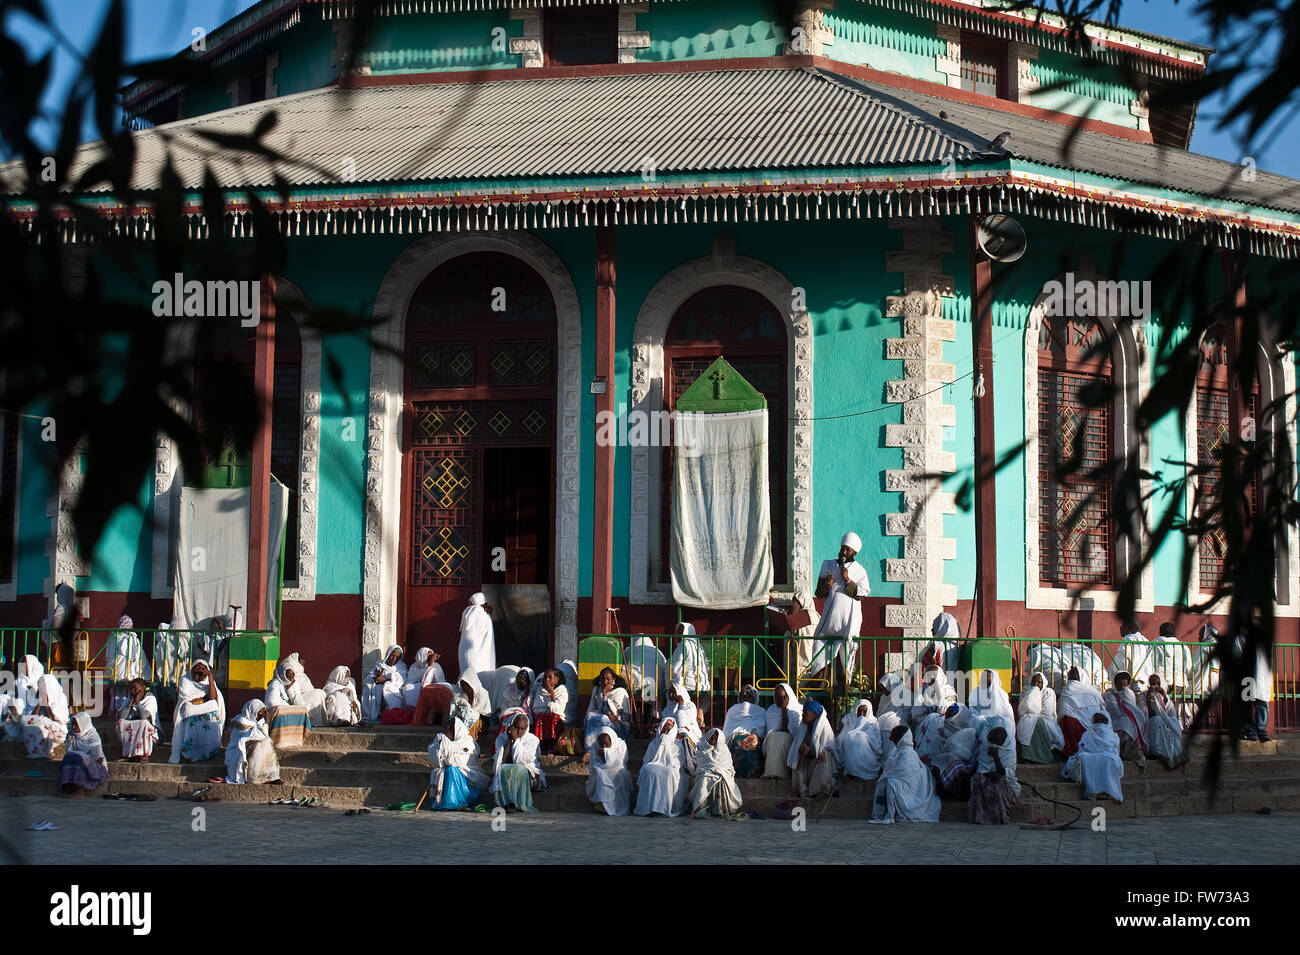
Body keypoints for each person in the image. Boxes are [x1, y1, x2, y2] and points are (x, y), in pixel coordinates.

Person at [809, 532, 870, 685]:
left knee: (845, 666)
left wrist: (847, 579)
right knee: (819, 661)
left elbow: (862, 595)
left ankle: (843, 697)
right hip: (828, 624)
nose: (843, 552)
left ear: (854, 553)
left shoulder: (859, 570)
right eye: (843, 548)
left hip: (848, 626)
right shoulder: (828, 565)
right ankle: (819, 696)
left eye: (847, 550)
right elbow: (819, 593)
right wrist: (827, 585)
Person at [870, 725, 941, 823]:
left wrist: (887, 774)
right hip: (905, 784)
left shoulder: (907, 753)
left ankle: (889, 816)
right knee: (887, 781)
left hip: (911, 790)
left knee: (891, 782)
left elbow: (903, 772)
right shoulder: (898, 751)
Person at [428, 717, 490, 811]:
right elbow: (436, 760)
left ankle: (456, 802)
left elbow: (452, 762)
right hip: (453, 774)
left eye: (450, 727)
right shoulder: (441, 740)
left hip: (469, 782)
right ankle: (448, 802)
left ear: (456, 729)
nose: (447, 729)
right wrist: (445, 744)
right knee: (444, 771)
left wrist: (445, 747)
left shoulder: (468, 743)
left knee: (451, 770)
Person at [170, 660, 225, 763]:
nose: (199, 672)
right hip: (190, 706)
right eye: (196, 669)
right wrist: (203, 699)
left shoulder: (209, 680)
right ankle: (190, 751)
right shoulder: (185, 679)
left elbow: (212, 697)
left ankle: (209, 749)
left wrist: (210, 676)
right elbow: (186, 697)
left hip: (203, 705)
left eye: (202, 669)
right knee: (187, 708)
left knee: (213, 705)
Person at [1062, 712, 1125, 801]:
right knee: (1084, 759)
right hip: (1091, 758)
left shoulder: (1114, 736)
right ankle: (1094, 791)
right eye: (1097, 721)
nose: (1100, 724)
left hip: (1107, 760)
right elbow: (1081, 751)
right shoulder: (1087, 735)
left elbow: (1115, 754)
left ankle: (1110, 791)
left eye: (1102, 721)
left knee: (1111, 760)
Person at [491, 711, 545, 813]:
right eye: (517, 728)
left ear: (526, 728)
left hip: (530, 776)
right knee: (504, 769)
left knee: (517, 769)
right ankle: (505, 802)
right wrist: (509, 740)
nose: (519, 731)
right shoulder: (502, 738)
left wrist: (516, 740)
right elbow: (501, 760)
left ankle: (516, 803)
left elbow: (520, 760)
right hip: (509, 773)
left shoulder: (533, 740)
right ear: (511, 726)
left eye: (522, 729)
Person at [634, 717, 688, 817]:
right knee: (647, 769)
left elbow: (676, 764)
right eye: (664, 729)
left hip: (672, 768)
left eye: (669, 730)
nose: (666, 732)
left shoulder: (677, 745)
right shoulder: (654, 743)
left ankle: (663, 808)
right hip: (654, 765)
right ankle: (649, 808)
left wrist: (665, 745)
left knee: (668, 772)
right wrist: (660, 745)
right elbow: (647, 760)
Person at [969, 719, 1020, 824]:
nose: (994, 745)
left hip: (1005, 784)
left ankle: (998, 816)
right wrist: (985, 774)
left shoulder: (1009, 751)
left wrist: (996, 756)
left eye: (997, 742)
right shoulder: (985, 748)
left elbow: (1005, 773)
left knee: (997, 783)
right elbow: (981, 766)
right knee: (978, 779)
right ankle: (980, 817)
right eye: (992, 742)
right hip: (986, 780)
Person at [688, 727, 743, 817]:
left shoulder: (724, 750)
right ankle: (702, 809)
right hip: (705, 773)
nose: (713, 741)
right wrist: (713, 769)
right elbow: (701, 764)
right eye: (711, 738)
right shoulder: (702, 748)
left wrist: (718, 770)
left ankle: (720, 811)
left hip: (721, 773)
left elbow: (728, 766)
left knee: (721, 781)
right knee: (704, 781)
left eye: (715, 739)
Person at [788, 699, 836, 799]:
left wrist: (811, 751)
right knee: (798, 758)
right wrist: (802, 750)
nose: (803, 715)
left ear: (815, 715)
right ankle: (802, 791)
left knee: (824, 754)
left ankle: (820, 790)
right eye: (803, 712)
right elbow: (798, 744)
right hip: (808, 760)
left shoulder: (824, 727)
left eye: (806, 713)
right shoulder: (804, 726)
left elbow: (827, 747)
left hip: (821, 763)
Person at [225, 699, 281, 784]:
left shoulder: (254, 722)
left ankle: (270, 776)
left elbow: (261, 735)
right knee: (261, 743)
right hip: (237, 753)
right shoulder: (241, 721)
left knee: (264, 743)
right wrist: (267, 721)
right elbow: (262, 735)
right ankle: (254, 777)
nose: (261, 716)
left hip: (248, 748)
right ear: (253, 710)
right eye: (260, 712)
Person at [1016, 671, 1065, 764]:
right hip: (1026, 719)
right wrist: (1032, 692)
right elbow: (1022, 711)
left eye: (1039, 682)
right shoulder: (1025, 691)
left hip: (1045, 721)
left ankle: (1042, 757)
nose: (1036, 684)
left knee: (1037, 722)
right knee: (1029, 722)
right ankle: (1028, 757)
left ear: (1043, 683)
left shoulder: (1048, 692)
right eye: (1033, 681)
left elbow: (1046, 713)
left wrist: (1033, 713)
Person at [264, 656, 312, 749]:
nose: (291, 680)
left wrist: (290, 690)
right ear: (283, 675)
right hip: (274, 712)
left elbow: (300, 704)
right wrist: (288, 705)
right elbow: (272, 702)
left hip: (287, 709)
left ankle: (295, 740)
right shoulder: (275, 683)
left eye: (293, 677)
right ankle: (279, 742)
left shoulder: (294, 683)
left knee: (302, 710)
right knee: (280, 710)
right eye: (289, 677)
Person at [1057, 665, 1105, 757]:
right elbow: (1063, 711)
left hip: (1093, 725)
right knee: (1068, 721)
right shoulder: (1068, 689)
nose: (1072, 676)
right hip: (1076, 727)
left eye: (1075, 674)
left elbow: (1102, 708)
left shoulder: (1092, 691)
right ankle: (1075, 750)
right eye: (1071, 674)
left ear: (1081, 676)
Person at [1103, 671, 1148, 766]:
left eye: (1125, 684)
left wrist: (1125, 693)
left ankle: (1132, 750)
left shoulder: (1130, 693)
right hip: (1114, 721)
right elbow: (1114, 712)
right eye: (1120, 684)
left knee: (1133, 722)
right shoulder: (1109, 694)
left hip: (1130, 721)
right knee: (1125, 723)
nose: (1123, 687)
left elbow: (1133, 709)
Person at [722, 684, 767, 778]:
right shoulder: (733, 710)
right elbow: (762, 731)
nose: (746, 702)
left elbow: (727, 732)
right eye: (745, 697)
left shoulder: (760, 711)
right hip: (738, 739)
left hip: (752, 739)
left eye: (749, 697)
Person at [58, 712, 108, 796]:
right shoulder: (71, 734)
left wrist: (85, 760)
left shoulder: (93, 736)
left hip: (93, 764)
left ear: (83, 724)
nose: (73, 727)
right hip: (74, 760)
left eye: (76, 725)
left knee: (78, 758)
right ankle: (67, 786)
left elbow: (98, 759)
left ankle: (78, 788)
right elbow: (69, 751)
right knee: (69, 757)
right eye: (73, 724)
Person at [1234, 632, 1273, 742]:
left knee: (1262, 705)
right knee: (1247, 704)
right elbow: (1236, 653)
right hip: (1247, 675)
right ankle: (1250, 732)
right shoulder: (1241, 635)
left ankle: (1262, 731)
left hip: (1262, 675)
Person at [583, 666, 631, 755]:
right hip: (601, 721)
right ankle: (590, 751)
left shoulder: (620, 691)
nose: (605, 682)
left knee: (603, 718)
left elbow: (613, 714)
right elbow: (592, 708)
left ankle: (605, 749)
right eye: (603, 679)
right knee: (592, 716)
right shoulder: (596, 690)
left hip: (619, 726)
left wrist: (605, 695)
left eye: (608, 679)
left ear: (613, 679)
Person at [587, 728, 634, 816]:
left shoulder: (620, 744)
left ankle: (618, 805)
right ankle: (603, 805)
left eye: (606, 744)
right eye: (601, 744)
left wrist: (607, 757)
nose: (604, 747)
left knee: (619, 774)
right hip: (600, 768)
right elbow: (593, 764)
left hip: (617, 767)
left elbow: (622, 761)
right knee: (599, 774)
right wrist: (602, 761)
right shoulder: (595, 746)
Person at [1144, 674, 1186, 768]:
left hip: (1166, 723)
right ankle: (1157, 753)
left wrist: (1165, 697)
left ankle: (1168, 753)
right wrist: (1148, 699)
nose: (1155, 686)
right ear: (1148, 684)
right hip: (1151, 723)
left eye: (1157, 683)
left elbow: (1171, 714)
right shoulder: (1143, 695)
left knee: (1173, 724)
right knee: (1156, 720)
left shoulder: (1164, 696)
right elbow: (1144, 713)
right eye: (1152, 683)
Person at [762, 682, 802, 778]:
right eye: (777, 697)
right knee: (775, 737)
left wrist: (784, 709)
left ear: (789, 697)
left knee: (783, 738)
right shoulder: (771, 710)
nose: (780, 700)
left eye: (783, 697)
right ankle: (771, 773)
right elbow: (769, 732)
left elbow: (789, 730)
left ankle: (781, 774)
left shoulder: (797, 711)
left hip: (791, 741)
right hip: (772, 740)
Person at [116, 677, 161, 761]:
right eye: (131, 688)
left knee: (143, 723)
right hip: (133, 725)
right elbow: (122, 716)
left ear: (143, 688)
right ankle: (126, 754)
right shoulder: (129, 699)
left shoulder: (150, 698)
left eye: (135, 688)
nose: (132, 690)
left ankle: (143, 754)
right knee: (121, 722)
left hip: (149, 727)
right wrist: (130, 703)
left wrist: (137, 702)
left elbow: (144, 716)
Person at [836, 698, 882, 780]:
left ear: (868, 711)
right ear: (855, 710)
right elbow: (841, 738)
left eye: (864, 712)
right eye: (859, 711)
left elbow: (877, 744)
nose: (861, 714)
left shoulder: (873, 722)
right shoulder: (849, 719)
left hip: (868, 755)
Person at [361, 645, 407, 723]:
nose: (394, 659)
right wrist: (376, 678)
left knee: (389, 689)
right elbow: (370, 676)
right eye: (393, 655)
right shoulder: (379, 664)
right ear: (388, 654)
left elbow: (402, 680)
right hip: (378, 685)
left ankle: (390, 714)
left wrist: (386, 679)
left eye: (397, 657)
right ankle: (373, 715)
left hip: (394, 686)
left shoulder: (401, 666)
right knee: (369, 688)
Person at [783, 589, 821, 681]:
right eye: (794, 602)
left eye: (798, 602)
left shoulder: (811, 617)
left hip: (805, 660)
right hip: (793, 659)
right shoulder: (797, 617)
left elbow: (804, 636)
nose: (795, 605)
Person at [458, 593, 496, 681]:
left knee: (467, 677)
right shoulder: (479, 613)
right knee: (479, 678)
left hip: (465, 652)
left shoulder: (468, 612)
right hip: (479, 655)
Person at [280, 653, 327, 725]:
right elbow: (292, 697)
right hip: (295, 704)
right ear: (295, 663)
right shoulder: (288, 676)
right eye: (301, 664)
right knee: (318, 693)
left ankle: (318, 722)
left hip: (304, 701)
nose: (302, 666)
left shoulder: (303, 676)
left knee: (320, 693)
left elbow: (310, 690)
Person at [530, 667, 568, 753]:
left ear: (556, 680)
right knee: (540, 718)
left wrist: (552, 694)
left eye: (550, 677)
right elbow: (536, 708)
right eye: (545, 677)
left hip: (556, 720)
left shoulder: (562, 691)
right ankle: (541, 747)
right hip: (541, 719)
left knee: (553, 718)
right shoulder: (539, 690)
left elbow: (559, 709)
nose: (546, 680)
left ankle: (553, 748)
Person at [669, 622, 712, 695]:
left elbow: (675, 669)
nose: (679, 634)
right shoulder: (699, 646)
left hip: (688, 686)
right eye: (678, 632)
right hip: (703, 685)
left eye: (681, 631)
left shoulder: (683, 645)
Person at [451, 672, 492, 738]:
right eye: (462, 685)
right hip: (461, 720)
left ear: (472, 684)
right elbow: (453, 711)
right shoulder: (459, 695)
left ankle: (469, 740)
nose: (464, 687)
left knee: (469, 715)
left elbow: (486, 715)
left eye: (467, 685)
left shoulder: (482, 694)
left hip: (480, 722)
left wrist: (469, 713)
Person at [663, 681, 702, 746]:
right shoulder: (667, 709)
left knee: (682, 731)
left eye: (673, 693)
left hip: (689, 736)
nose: (670, 695)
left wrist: (681, 705)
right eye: (669, 692)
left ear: (680, 693)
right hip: (672, 736)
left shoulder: (690, 706)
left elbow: (681, 723)